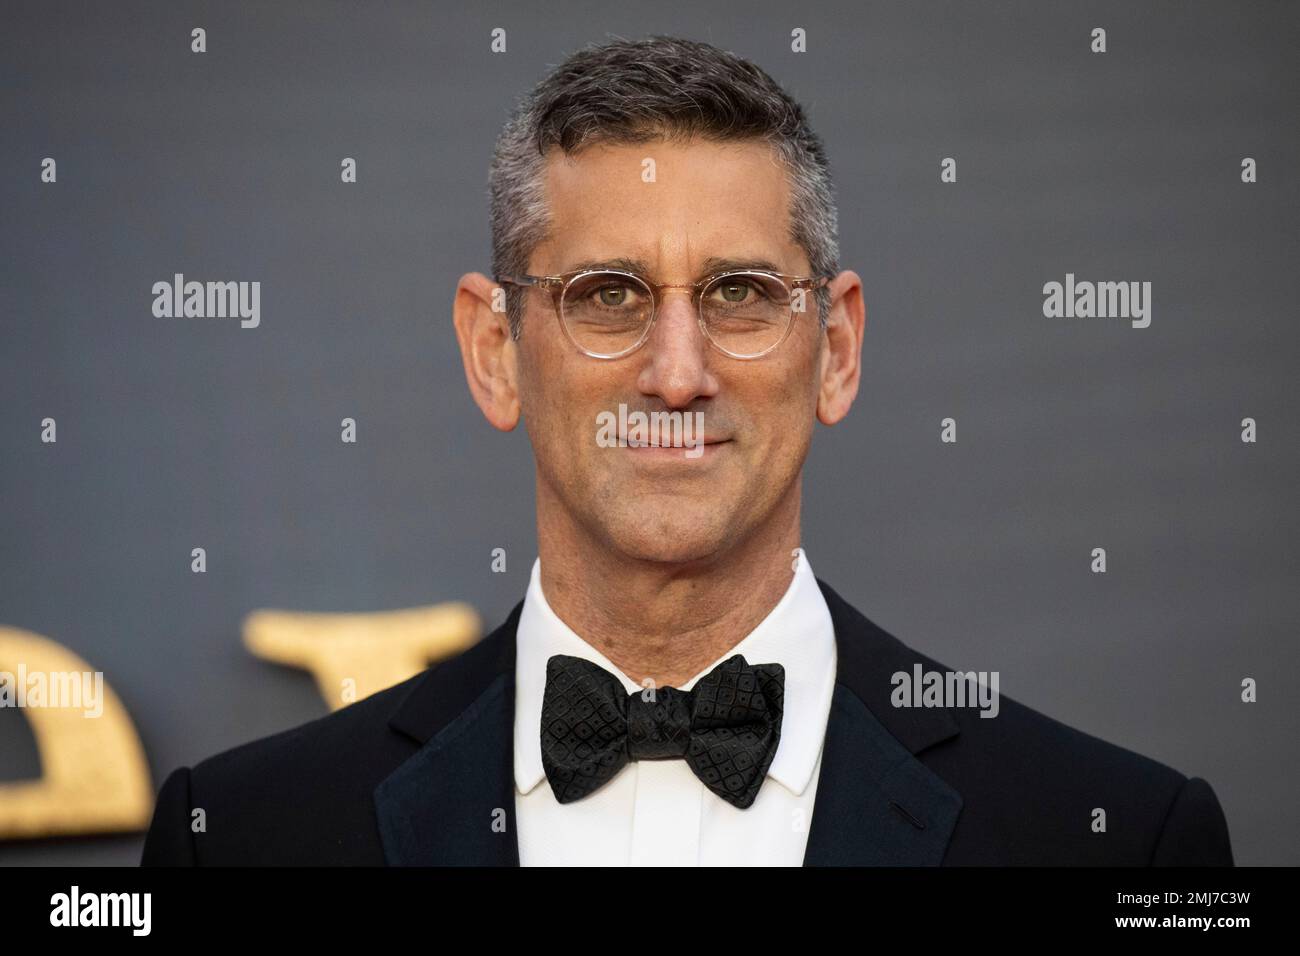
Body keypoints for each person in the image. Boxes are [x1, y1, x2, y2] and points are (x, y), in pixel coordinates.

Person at [141, 34, 1232, 866]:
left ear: (836, 347)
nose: (676, 369)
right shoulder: (238, 838)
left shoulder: (1113, 838)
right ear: (495, 351)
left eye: (740, 293)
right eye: (606, 295)